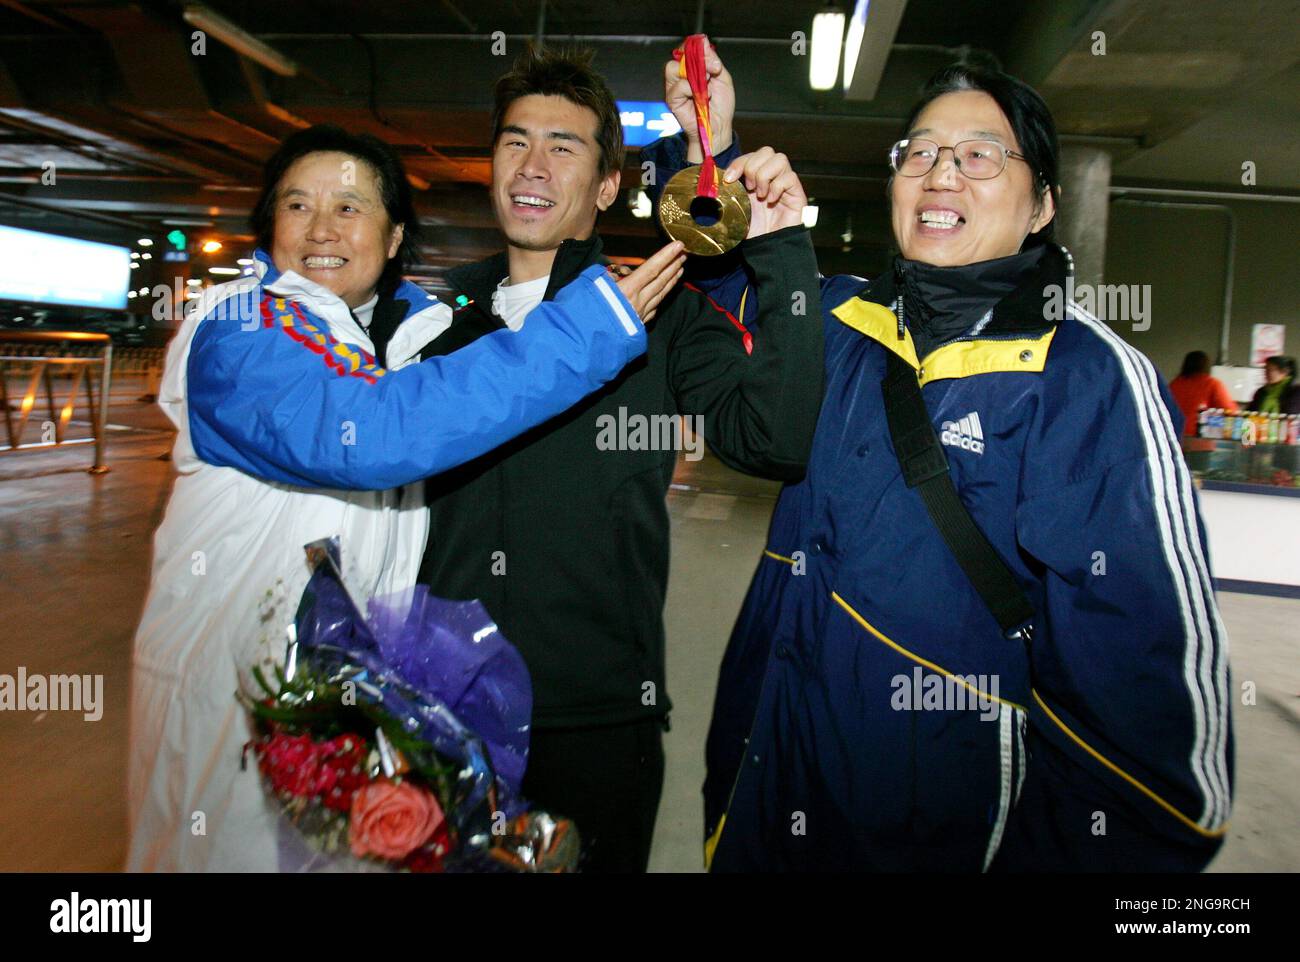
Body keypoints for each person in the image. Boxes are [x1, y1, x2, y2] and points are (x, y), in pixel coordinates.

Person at [652, 58, 1233, 871]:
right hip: (766, 797)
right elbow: (725, 286)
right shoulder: (838, 319)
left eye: (980, 155)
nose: (940, 175)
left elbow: (1161, 765)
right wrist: (710, 147)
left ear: (1044, 205)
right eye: (919, 153)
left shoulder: (1084, 380)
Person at [126, 124, 683, 872]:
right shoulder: (239, 328)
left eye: (350, 208)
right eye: (298, 205)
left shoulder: (379, 341)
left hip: (339, 732)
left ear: (392, 240)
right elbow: (376, 431)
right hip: (233, 717)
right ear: (269, 228)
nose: (322, 228)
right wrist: (584, 334)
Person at [412, 44, 823, 873]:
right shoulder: (430, 330)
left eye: (564, 147)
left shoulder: (657, 316)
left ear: (605, 187)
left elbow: (773, 440)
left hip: (595, 724)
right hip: (438, 712)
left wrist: (780, 252)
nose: (532, 165)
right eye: (515, 141)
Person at [1169, 351, 1237, 436]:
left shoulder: (1174, 384)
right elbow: (1230, 412)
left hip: (1173, 435)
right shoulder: (1212, 384)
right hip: (1200, 438)